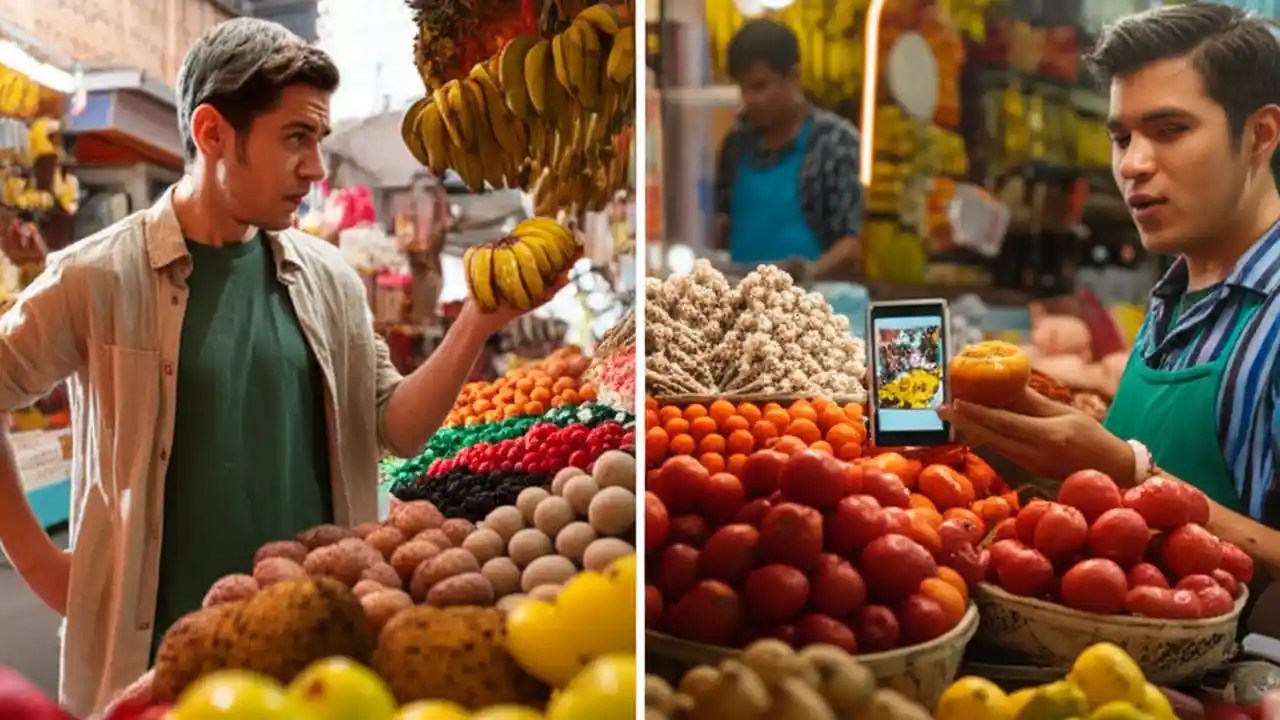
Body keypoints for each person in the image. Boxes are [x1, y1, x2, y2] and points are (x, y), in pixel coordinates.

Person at [0, 18, 551, 716]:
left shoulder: (331, 280)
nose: (316, 169)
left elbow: (398, 428)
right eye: (296, 137)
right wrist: (43, 564)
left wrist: (478, 320)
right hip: (156, 664)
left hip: (314, 657)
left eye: (318, 141)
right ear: (212, 133)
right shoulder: (99, 277)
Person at [939, 3, 1280, 580]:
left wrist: (1128, 472)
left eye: (1171, 131)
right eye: (1122, 137)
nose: (1134, 165)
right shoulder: (1176, 296)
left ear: (1259, 135)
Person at [713, 18, 863, 283]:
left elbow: (852, 245)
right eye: (743, 88)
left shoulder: (835, 143)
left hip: (812, 307)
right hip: (741, 306)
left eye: (760, 86)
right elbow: (721, 226)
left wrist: (800, 277)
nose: (749, 100)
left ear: (794, 77)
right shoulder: (735, 144)